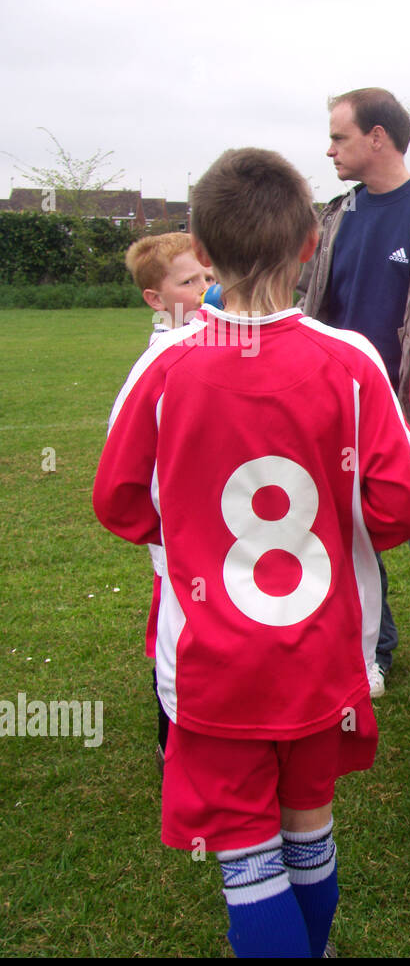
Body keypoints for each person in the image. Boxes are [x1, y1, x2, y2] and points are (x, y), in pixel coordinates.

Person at [94, 147, 410, 957]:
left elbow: (118, 500)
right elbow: (404, 502)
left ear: (202, 255)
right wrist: (340, 530)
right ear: (311, 244)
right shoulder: (351, 363)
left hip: (215, 662)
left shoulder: (164, 367)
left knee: (247, 857)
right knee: (308, 831)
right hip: (322, 653)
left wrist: (191, 532)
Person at [300, 86, 410, 695]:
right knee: (345, 532)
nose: (329, 150)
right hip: (342, 409)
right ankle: (374, 647)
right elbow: (311, 308)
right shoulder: (333, 217)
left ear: (378, 137)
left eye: (339, 137)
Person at [122, 232, 211, 772]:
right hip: (179, 540)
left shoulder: (220, 339)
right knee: (175, 639)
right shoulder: (158, 362)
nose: (204, 290)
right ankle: (172, 742)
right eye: (187, 282)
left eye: (206, 277)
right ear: (156, 299)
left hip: (220, 529)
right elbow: (128, 465)